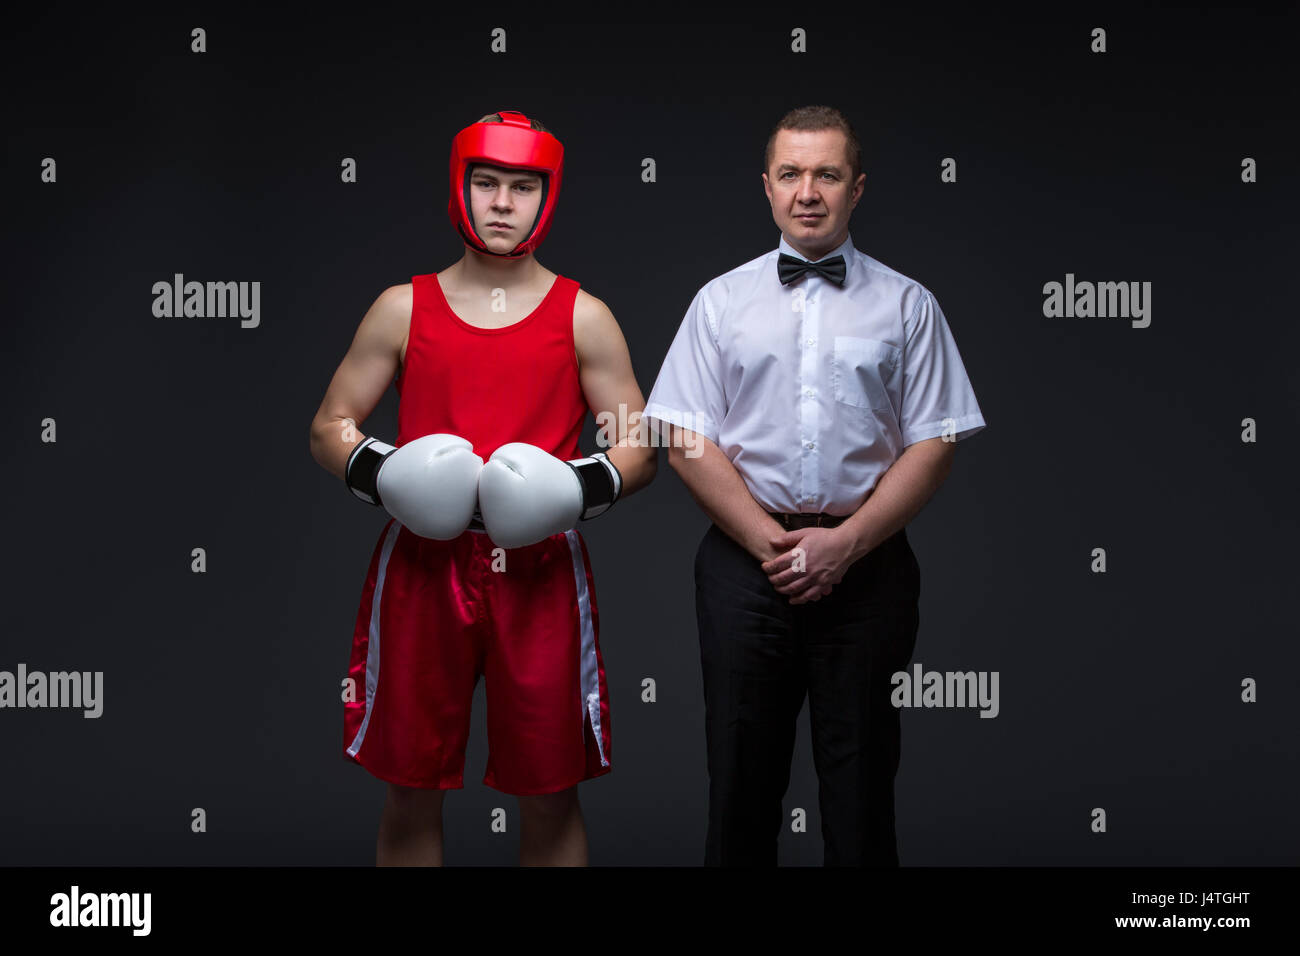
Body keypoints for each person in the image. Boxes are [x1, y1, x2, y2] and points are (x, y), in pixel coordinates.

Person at [641, 105, 987, 866]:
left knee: (862, 792)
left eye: (826, 174)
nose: (808, 191)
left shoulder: (909, 306)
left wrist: (844, 545)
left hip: (867, 567)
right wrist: (775, 546)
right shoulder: (719, 302)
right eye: (791, 174)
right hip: (743, 565)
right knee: (738, 789)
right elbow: (684, 438)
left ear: (856, 188)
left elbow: (935, 443)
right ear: (766, 187)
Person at [308, 110, 655, 866]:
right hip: (423, 567)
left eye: (521, 187)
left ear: (547, 197)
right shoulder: (403, 306)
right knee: (408, 786)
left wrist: (573, 487)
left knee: (551, 790)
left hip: (540, 571)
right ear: (459, 190)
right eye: (487, 183)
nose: (502, 203)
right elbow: (329, 424)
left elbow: (638, 447)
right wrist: (385, 471)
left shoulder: (584, 317)